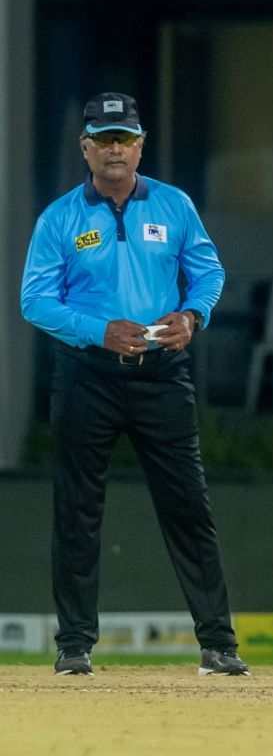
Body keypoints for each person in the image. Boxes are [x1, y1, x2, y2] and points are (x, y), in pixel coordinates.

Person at [20, 92, 249, 677]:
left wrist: (193, 315)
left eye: (125, 138)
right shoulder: (60, 218)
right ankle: (74, 646)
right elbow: (34, 301)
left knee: (187, 506)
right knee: (77, 510)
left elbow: (209, 270)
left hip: (163, 375)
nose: (115, 148)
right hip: (85, 375)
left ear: (141, 145)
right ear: (86, 148)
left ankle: (219, 644)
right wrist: (99, 331)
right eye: (103, 138)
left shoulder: (174, 206)